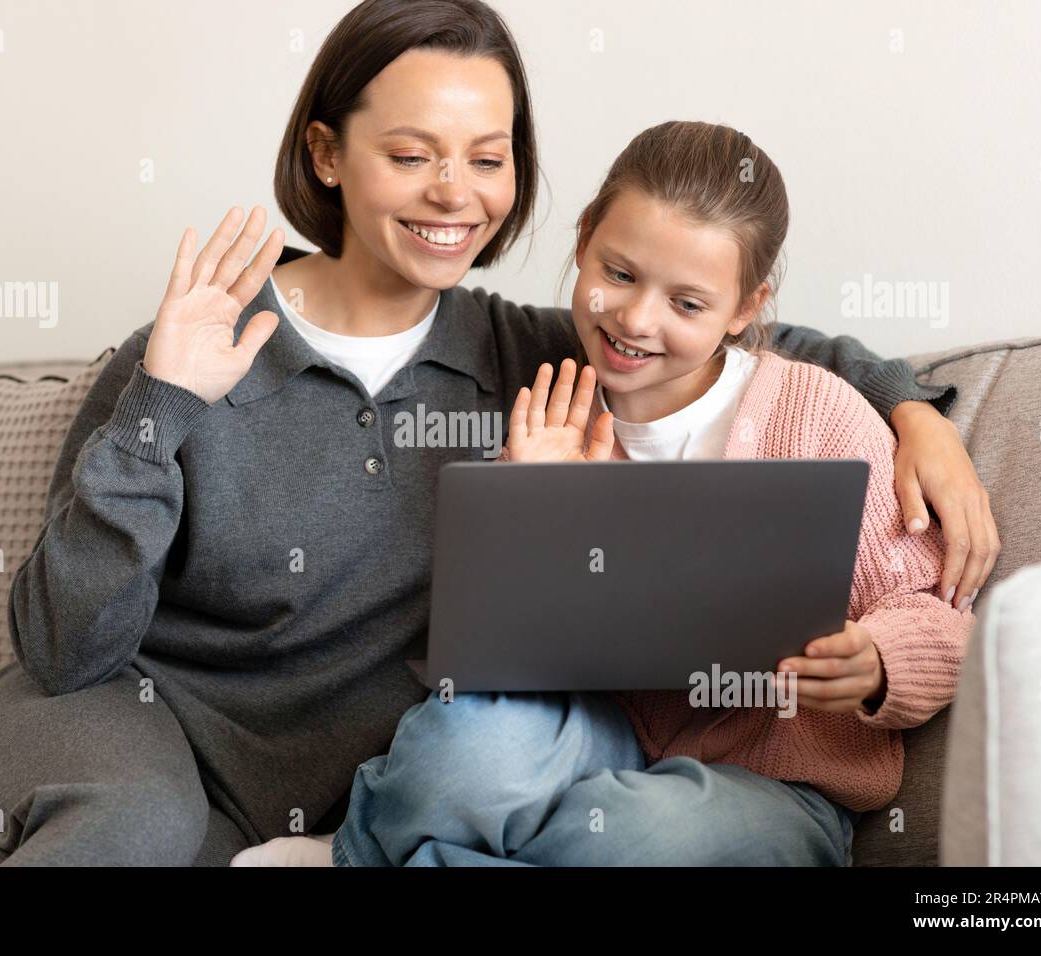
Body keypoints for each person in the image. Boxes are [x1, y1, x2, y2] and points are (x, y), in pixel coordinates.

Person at [0, 0, 997, 866]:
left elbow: (728, 335)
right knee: (135, 831)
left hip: (363, 788)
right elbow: (64, 645)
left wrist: (909, 407)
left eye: (486, 157)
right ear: (325, 152)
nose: (454, 193)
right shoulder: (188, 347)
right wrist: (159, 404)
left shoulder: (530, 352)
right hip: (136, 713)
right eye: (410, 154)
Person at [239, 120, 973, 866]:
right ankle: (350, 854)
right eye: (619, 274)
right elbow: (488, 652)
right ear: (586, 235)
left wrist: (879, 661)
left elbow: (941, 617)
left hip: (773, 784)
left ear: (745, 309)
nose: (635, 319)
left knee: (629, 835)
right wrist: (527, 510)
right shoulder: (552, 400)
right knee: (462, 754)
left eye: (688, 305)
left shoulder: (818, 413)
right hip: (591, 729)